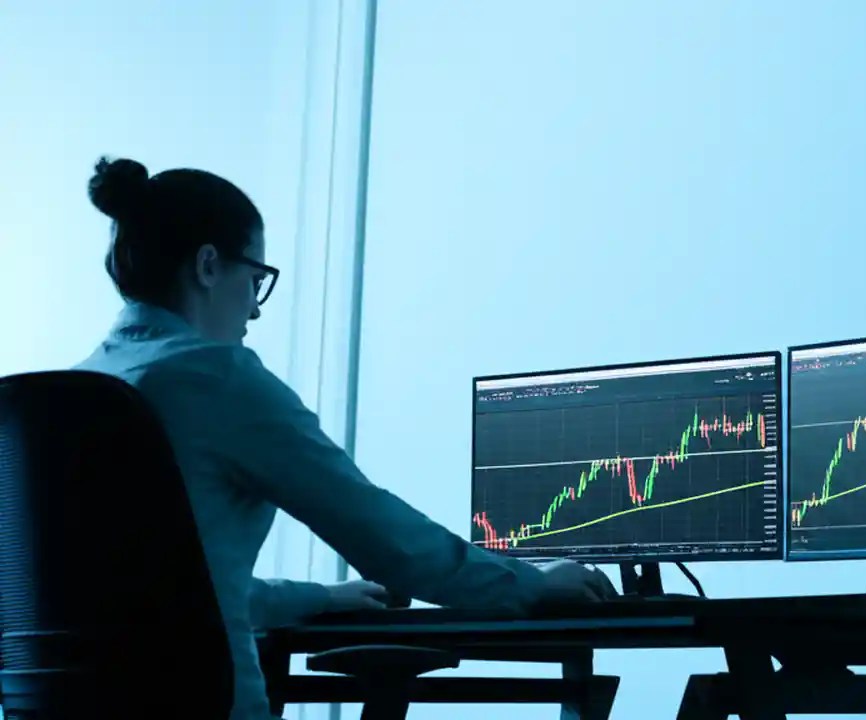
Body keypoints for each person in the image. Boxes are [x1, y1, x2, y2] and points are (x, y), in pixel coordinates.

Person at [75, 156, 618, 719]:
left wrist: (322, 599)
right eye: (255, 279)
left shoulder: (72, 391)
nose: (255, 310)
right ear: (209, 266)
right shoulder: (214, 378)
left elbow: (179, 592)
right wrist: (530, 584)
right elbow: (382, 536)